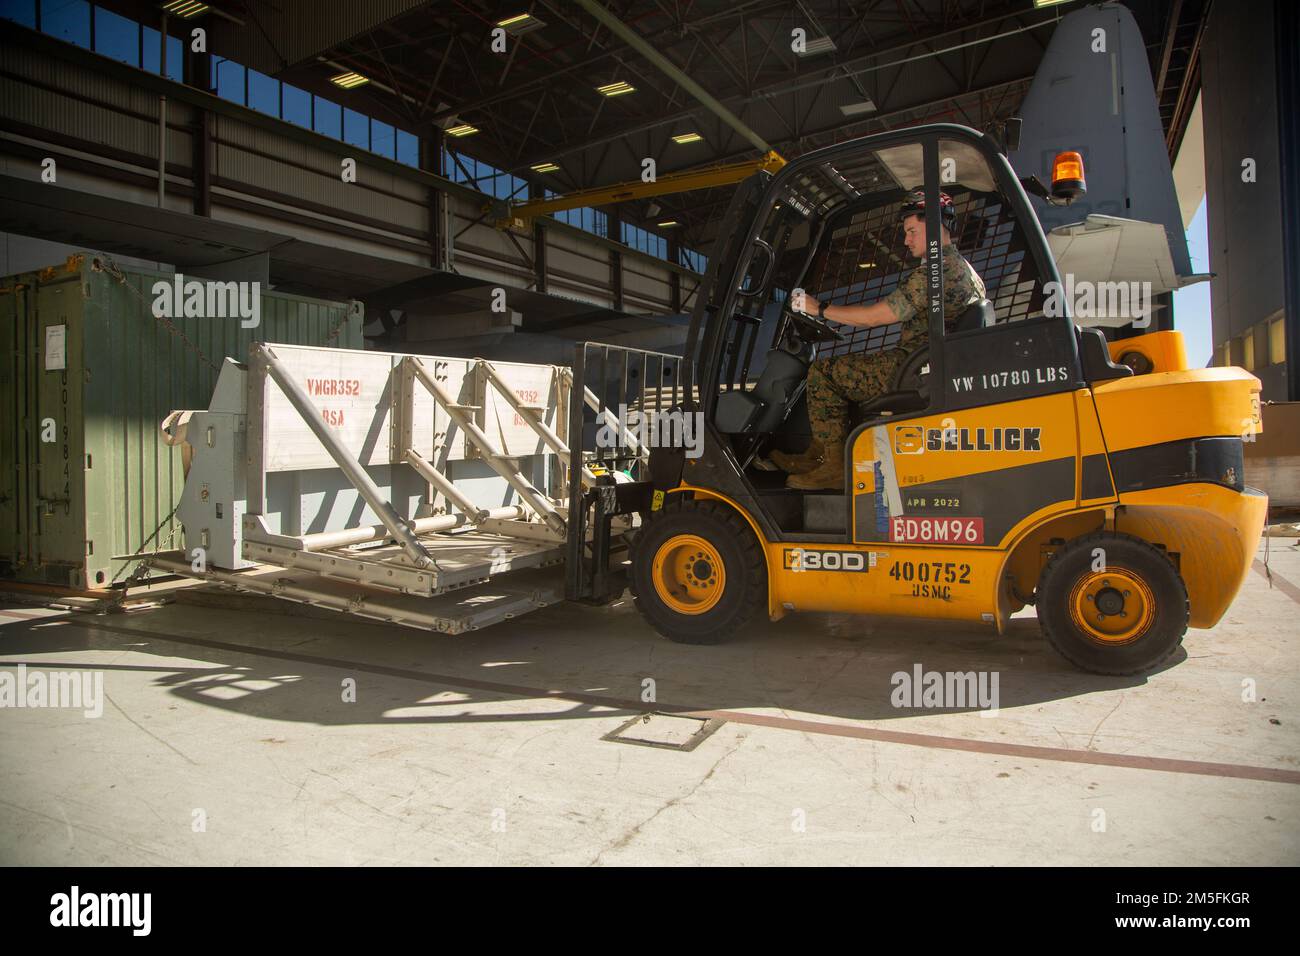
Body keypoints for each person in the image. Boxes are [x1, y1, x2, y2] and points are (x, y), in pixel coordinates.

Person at [772, 189, 986, 491]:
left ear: (936, 225)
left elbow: (875, 317)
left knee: (823, 373)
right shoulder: (962, 269)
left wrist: (818, 308)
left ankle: (833, 466)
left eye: (911, 231)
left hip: (914, 369)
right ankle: (818, 456)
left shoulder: (937, 272)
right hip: (926, 364)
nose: (906, 240)